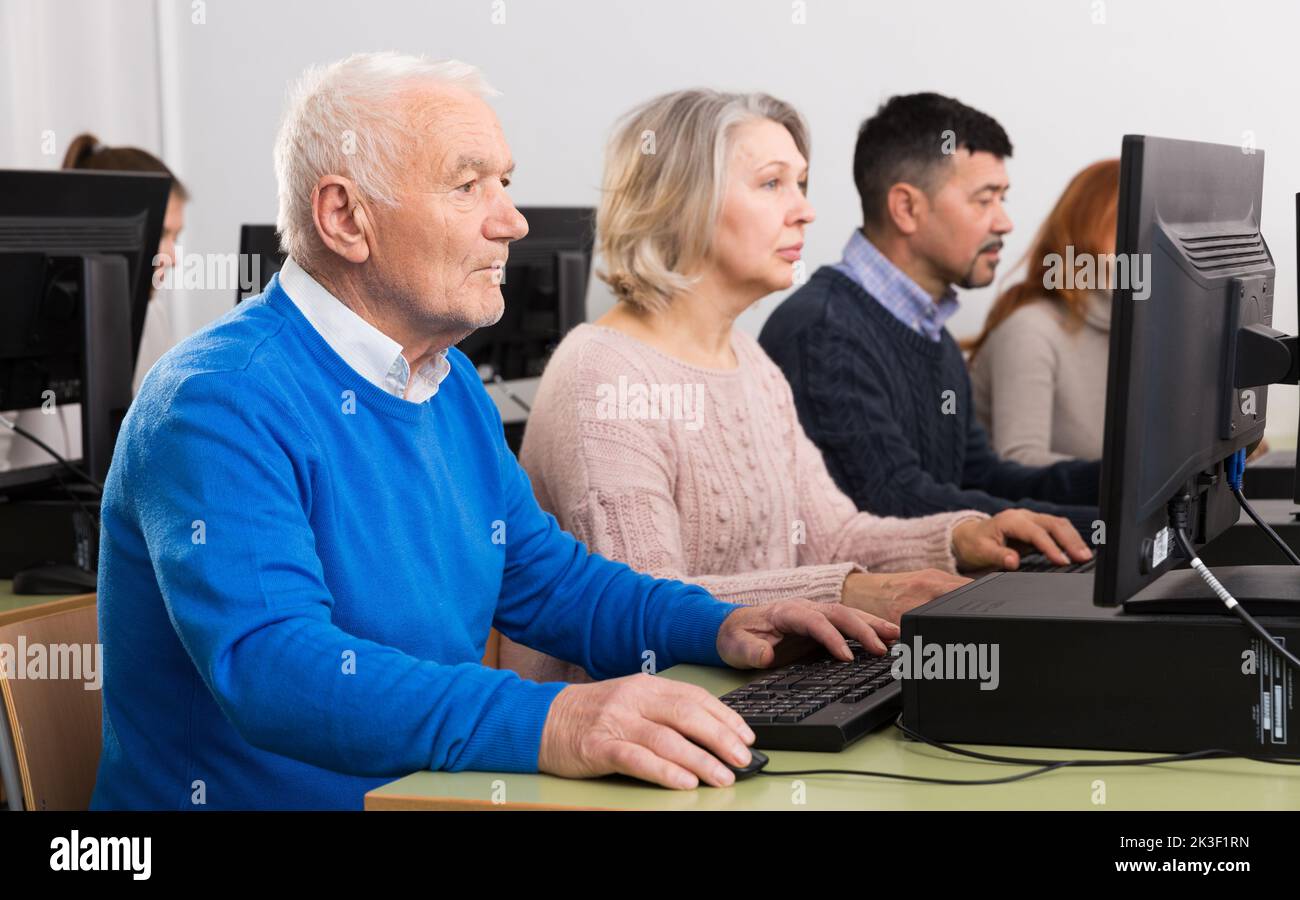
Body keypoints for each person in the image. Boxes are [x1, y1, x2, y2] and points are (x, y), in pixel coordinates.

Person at [91, 52, 897, 811]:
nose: (510, 220)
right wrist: (553, 721)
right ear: (344, 217)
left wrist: (718, 625)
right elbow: (276, 670)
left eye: (505, 182)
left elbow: (546, 581)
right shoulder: (217, 401)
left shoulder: (448, 382)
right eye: (468, 186)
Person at [500, 89, 1091, 684]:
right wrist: (851, 589)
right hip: (626, 728)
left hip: (751, 691)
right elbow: (650, 605)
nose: (805, 210)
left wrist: (960, 534)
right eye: (771, 184)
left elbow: (830, 533)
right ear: (681, 202)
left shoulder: (751, 362)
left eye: (801, 184)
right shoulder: (601, 376)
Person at [758, 93, 1101, 540]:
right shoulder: (821, 334)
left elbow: (978, 478)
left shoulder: (930, 332)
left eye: (1003, 199)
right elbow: (895, 505)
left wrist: (1120, 482)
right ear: (907, 208)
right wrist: (1100, 530)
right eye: (984, 200)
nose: (1004, 223)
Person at [0, 134, 188, 472]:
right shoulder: (20, 318)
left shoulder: (152, 315)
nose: (173, 257)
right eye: (164, 234)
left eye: (176, 236)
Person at [966, 159, 1119, 465]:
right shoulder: (1030, 330)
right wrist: (1132, 479)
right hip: (1052, 512)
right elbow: (1019, 460)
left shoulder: (1155, 330)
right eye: (1127, 226)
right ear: (1086, 228)